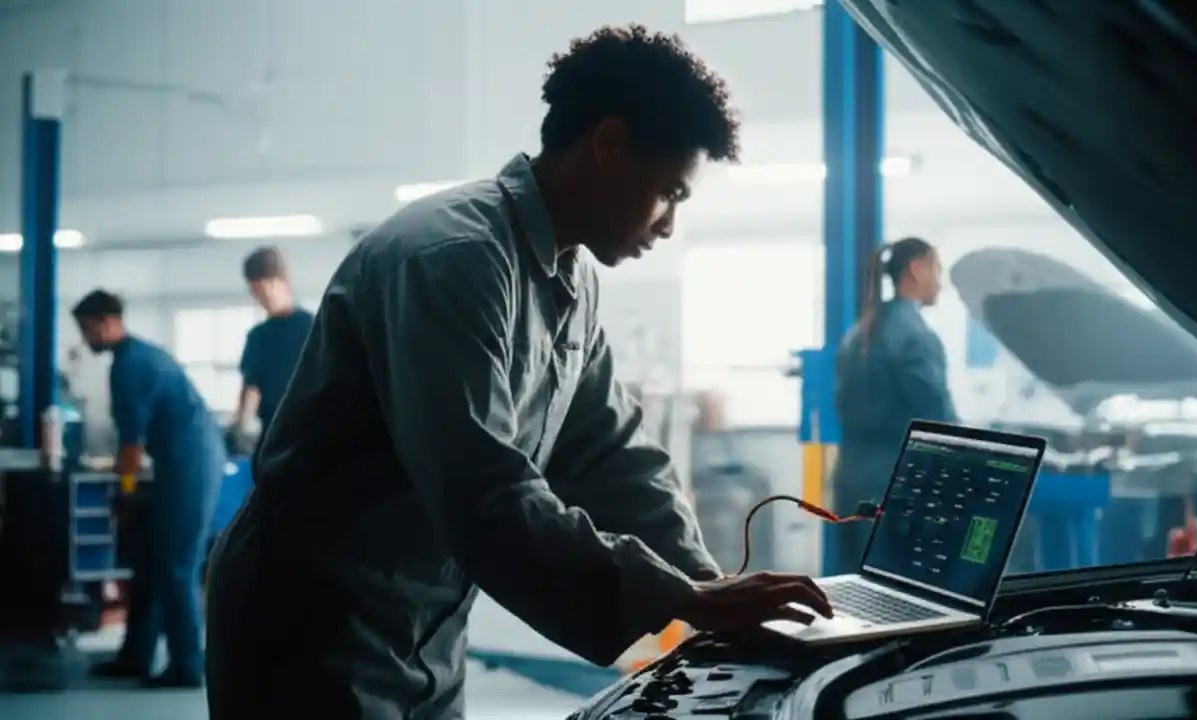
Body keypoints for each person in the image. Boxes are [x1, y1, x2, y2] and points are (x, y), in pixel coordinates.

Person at [206, 25, 831, 719]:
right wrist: (679, 597)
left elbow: (609, 451)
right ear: (609, 144)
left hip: (420, 622)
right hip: (317, 617)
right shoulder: (453, 259)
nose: (668, 225)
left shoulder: (569, 277)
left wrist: (704, 580)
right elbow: (482, 487)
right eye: (670, 193)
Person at [72, 289, 223, 688]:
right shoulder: (137, 355)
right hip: (178, 462)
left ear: (107, 322)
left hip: (189, 465)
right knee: (149, 563)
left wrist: (124, 490)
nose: (86, 339)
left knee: (176, 566)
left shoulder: (130, 365)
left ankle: (187, 665)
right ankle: (135, 656)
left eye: (87, 329)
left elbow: (130, 443)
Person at [833, 237, 957, 573]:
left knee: (856, 590)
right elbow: (939, 419)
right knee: (898, 590)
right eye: (937, 270)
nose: (941, 283)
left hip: (850, 485)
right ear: (916, 269)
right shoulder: (915, 336)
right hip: (896, 490)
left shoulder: (858, 333)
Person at [230, 247, 314, 451]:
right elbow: (250, 387)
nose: (263, 299)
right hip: (273, 434)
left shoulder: (314, 329)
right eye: (256, 293)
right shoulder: (258, 336)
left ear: (282, 282)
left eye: (266, 290)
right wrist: (238, 429)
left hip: (311, 431)